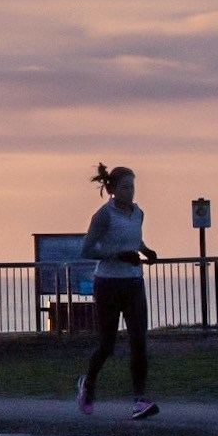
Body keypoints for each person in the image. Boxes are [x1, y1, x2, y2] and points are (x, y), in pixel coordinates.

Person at [76, 163, 160, 419]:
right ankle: (87, 386)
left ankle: (139, 400)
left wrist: (145, 250)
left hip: (133, 282)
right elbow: (87, 249)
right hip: (108, 284)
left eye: (132, 186)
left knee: (138, 341)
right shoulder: (104, 215)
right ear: (113, 189)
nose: (130, 191)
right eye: (125, 187)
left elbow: (134, 239)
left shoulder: (138, 214)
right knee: (107, 345)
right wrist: (118, 256)